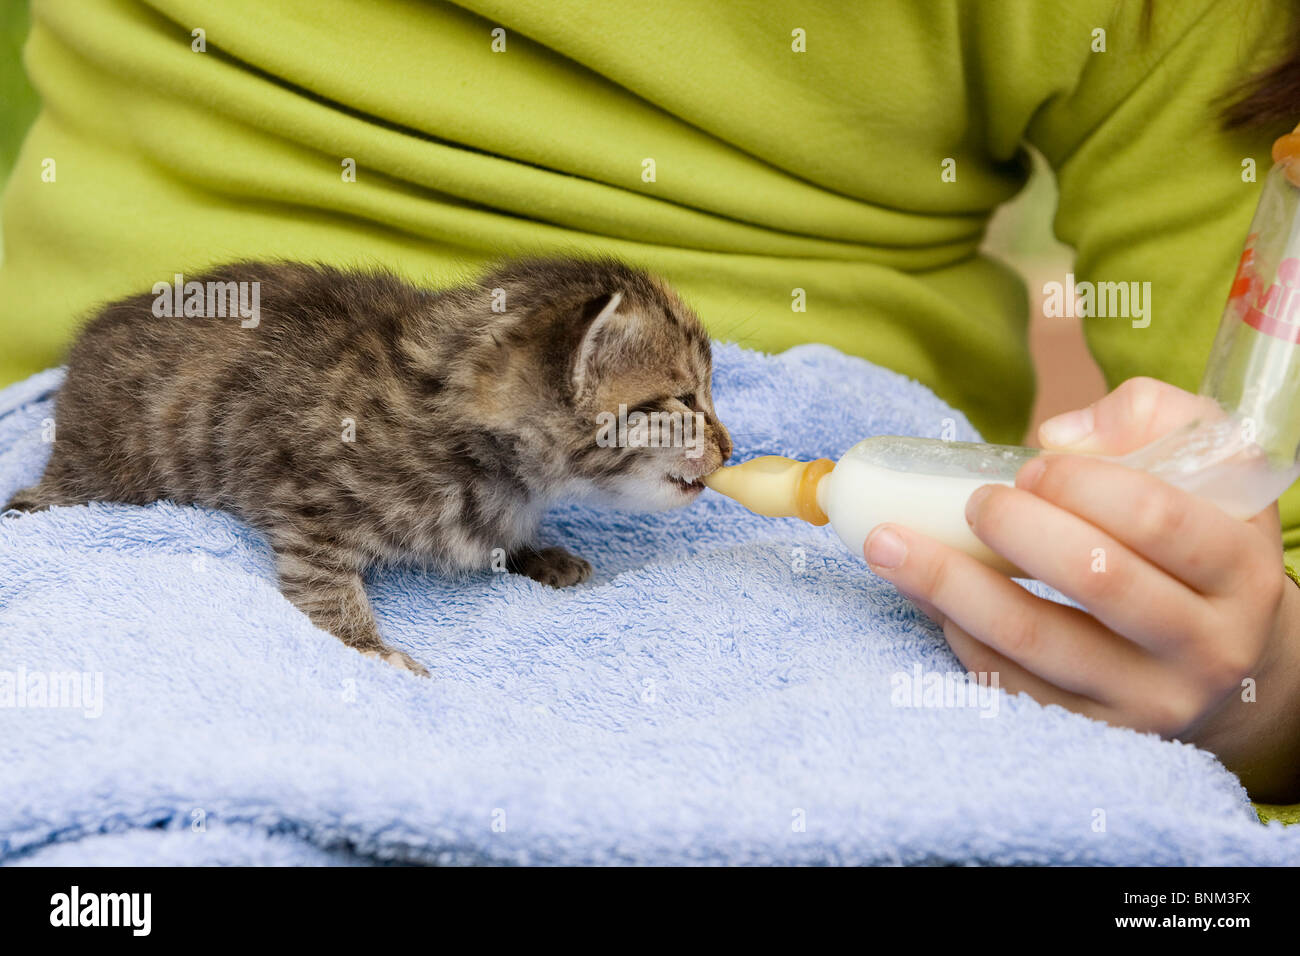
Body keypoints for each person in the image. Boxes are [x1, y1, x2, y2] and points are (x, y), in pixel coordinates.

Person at [1, 0, 1297, 806]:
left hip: (840, 405)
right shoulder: (388, 429)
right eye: (682, 405)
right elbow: (310, 505)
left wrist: (1260, 687)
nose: (706, 437)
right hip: (96, 429)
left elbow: (1253, 489)